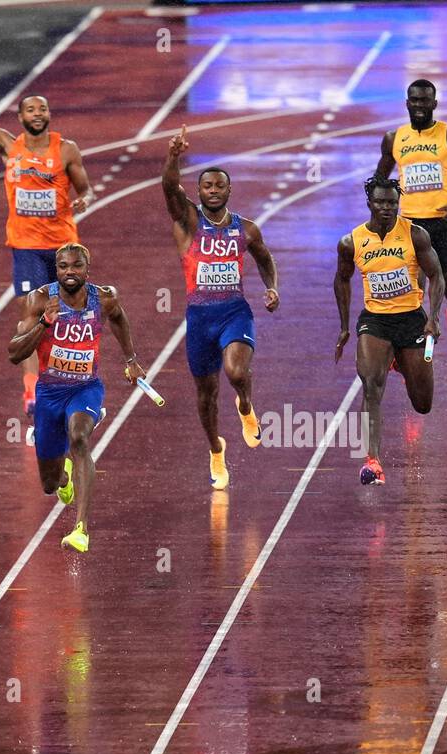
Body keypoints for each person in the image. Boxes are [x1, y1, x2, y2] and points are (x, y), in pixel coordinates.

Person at [0, 46, 95, 419]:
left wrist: (85, 199)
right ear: (19, 118)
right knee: (30, 319)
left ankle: (67, 380)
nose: (38, 114)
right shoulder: (7, 146)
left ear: (49, 115)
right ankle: (32, 392)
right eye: (31, 109)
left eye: (43, 109)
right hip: (26, 248)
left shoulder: (66, 150)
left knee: (68, 318)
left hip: (65, 250)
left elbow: (86, 188)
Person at [162, 124, 279, 490]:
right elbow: (168, 187)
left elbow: (264, 257)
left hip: (233, 311)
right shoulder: (188, 221)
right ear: (198, 191)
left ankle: (245, 406)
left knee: (236, 371)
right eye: (207, 186)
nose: (213, 191)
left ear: (229, 190)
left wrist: (272, 287)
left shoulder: (246, 229)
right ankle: (216, 450)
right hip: (199, 317)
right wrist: (173, 156)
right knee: (206, 396)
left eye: (220, 186)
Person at [8, 243, 145, 553]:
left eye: (76, 266)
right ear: (56, 270)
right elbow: (15, 352)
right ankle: (64, 479)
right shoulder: (40, 300)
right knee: (48, 483)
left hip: (86, 388)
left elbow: (120, 318)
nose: (70, 271)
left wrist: (131, 359)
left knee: (79, 438)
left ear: (87, 268)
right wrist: (44, 324)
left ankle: (81, 528)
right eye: (63, 266)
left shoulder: (105, 298)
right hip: (50, 394)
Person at [334, 175, 443, 485]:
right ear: (369, 203)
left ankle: (399, 360)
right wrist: (344, 327)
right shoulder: (351, 242)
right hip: (375, 321)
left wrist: (433, 318)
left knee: (423, 404)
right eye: (380, 202)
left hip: (412, 321)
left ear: (398, 204)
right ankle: (373, 461)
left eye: (392, 203)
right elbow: (341, 280)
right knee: (370, 384)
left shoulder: (415, 235)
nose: (386, 208)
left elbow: (437, 276)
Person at [374, 78, 447, 354]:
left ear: (434, 104)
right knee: (412, 291)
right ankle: (408, 344)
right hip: (410, 226)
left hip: (444, 224)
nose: (420, 106)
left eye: (425, 101)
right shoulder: (394, 139)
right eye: (415, 101)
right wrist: (385, 214)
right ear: (407, 104)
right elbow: (378, 180)